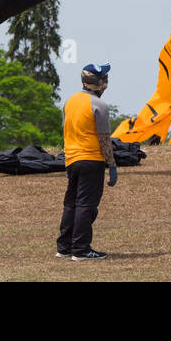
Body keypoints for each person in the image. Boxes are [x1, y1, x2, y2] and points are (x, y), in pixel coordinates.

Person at [57, 63, 117, 262]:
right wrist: (112, 166)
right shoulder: (99, 105)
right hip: (91, 160)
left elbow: (65, 133)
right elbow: (104, 138)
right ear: (100, 83)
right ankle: (81, 249)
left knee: (70, 204)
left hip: (73, 159)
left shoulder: (69, 102)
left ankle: (64, 247)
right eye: (105, 78)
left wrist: (67, 161)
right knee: (86, 205)